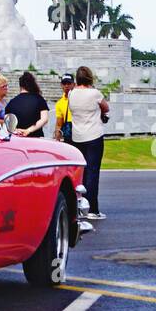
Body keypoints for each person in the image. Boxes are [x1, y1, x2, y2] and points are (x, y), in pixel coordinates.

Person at [67, 65, 109, 219]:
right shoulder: (94, 93)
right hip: (93, 135)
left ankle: (79, 205)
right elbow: (106, 107)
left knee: (81, 172)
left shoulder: (72, 93)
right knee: (93, 172)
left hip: (77, 136)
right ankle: (92, 209)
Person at [6, 71, 49, 138]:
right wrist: (28, 130)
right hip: (36, 138)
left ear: (20, 86)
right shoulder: (39, 99)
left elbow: (7, 122)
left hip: (18, 138)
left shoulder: (11, 102)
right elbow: (44, 119)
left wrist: (16, 130)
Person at [53, 73, 75, 142]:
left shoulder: (79, 98)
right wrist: (57, 139)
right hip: (68, 135)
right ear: (61, 85)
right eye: (64, 84)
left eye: (69, 83)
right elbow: (59, 124)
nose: (66, 86)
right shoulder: (59, 103)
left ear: (74, 84)